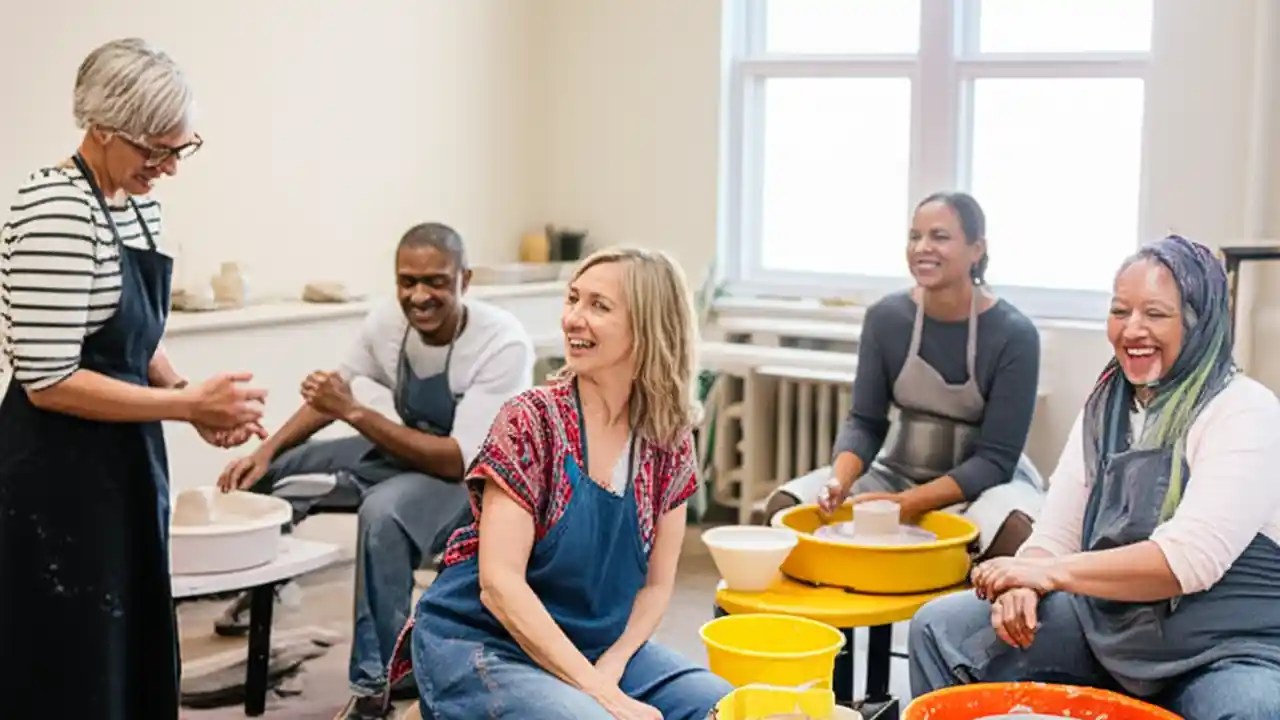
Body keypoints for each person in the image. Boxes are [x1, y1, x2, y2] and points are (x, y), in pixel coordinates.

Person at [0, 38, 269, 718]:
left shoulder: (138, 205)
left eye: (181, 148)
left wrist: (190, 395)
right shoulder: (53, 209)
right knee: (71, 654)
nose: (170, 167)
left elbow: (135, 339)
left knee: (131, 642)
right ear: (100, 127)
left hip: (124, 459)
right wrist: (182, 408)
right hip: (56, 472)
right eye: (155, 150)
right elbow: (48, 379)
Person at [908, 235, 1280, 718]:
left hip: (1226, 650)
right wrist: (1024, 585)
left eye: (1156, 314)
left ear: (1199, 322)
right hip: (1111, 630)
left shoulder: (1243, 410)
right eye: (1120, 311)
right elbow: (1056, 533)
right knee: (941, 629)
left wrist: (1045, 573)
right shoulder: (1106, 408)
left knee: (1251, 710)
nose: (1132, 330)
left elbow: (1187, 562)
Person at [386, 248, 733, 719]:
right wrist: (601, 696)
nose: (573, 319)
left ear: (649, 326)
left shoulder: (667, 439)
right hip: (483, 642)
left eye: (598, 306)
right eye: (573, 300)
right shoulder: (530, 421)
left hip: (592, 642)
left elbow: (655, 588)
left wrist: (609, 670)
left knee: (726, 707)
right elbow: (499, 585)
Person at [214, 222, 535, 719]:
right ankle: (260, 594)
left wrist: (357, 412)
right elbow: (332, 396)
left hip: (471, 481)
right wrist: (266, 450)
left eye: (435, 282)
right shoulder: (389, 323)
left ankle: (381, 682)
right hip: (406, 451)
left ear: (464, 280)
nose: (419, 295)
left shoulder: (501, 343)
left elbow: (457, 459)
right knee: (282, 472)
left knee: (383, 513)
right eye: (408, 281)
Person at [765, 192, 1045, 557]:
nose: (922, 247)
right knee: (783, 508)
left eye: (939, 237)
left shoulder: (1015, 334)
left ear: (977, 249)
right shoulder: (886, 318)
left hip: (988, 484)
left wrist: (909, 503)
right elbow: (865, 421)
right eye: (915, 236)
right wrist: (840, 480)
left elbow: (995, 459)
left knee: (1010, 533)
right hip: (898, 471)